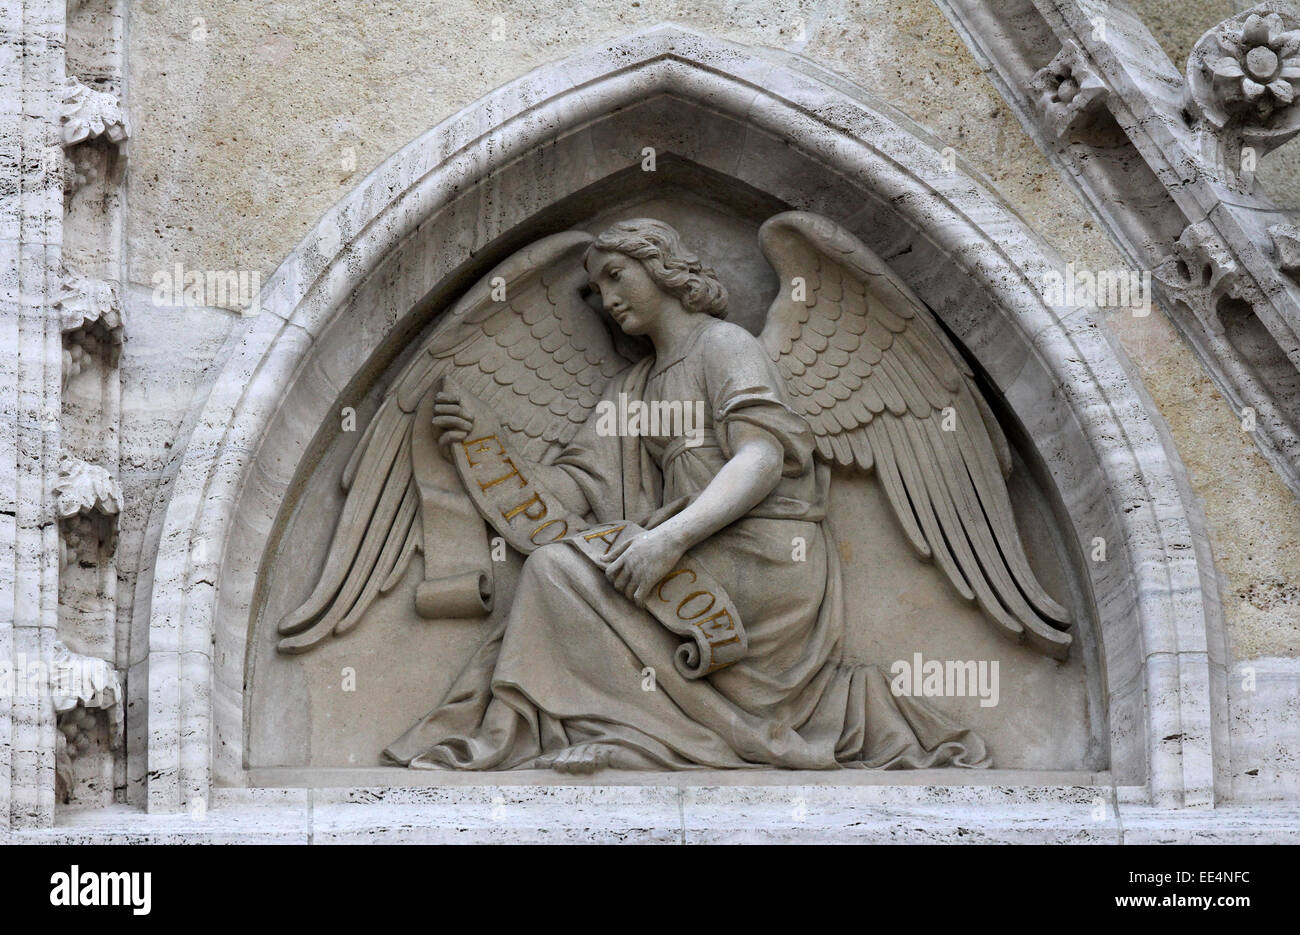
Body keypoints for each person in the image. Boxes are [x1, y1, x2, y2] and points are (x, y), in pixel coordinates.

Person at [383, 219, 989, 773]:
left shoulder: (724, 345)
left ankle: (638, 733)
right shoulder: (634, 386)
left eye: (617, 275)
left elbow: (761, 456)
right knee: (553, 570)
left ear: (664, 269)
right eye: (597, 289)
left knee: (556, 573)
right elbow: (575, 490)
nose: (608, 298)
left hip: (765, 553)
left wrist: (668, 540)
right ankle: (629, 731)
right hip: (691, 553)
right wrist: (485, 444)